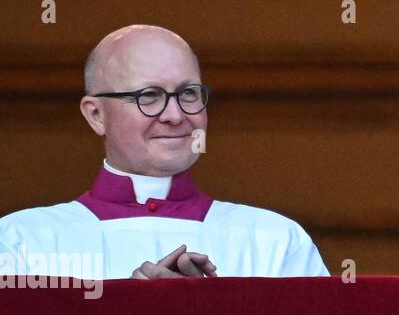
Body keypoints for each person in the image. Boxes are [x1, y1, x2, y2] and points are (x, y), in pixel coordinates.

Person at [0, 25, 329, 279]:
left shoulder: (275, 240)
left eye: (188, 93)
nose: (174, 115)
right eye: (149, 95)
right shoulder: (21, 242)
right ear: (95, 114)